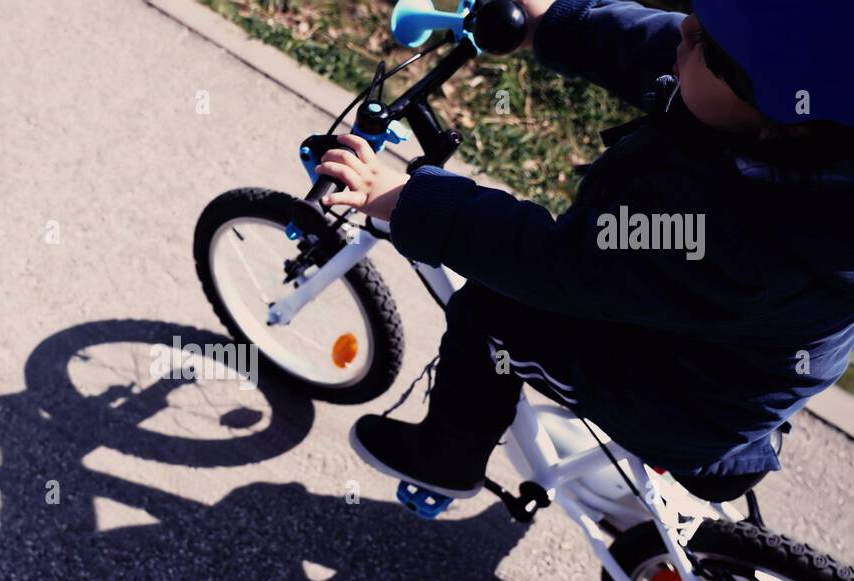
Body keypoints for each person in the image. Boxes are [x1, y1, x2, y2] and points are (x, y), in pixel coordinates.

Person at [314, 0, 854, 500]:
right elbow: (652, 49)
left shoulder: (744, 239)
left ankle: (445, 458)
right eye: (700, 14)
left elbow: (557, 263)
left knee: (491, 312)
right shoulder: (786, 125)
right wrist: (555, 20)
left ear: (782, 124)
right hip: (721, 358)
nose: (687, 29)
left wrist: (410, 201)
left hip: (684, 406)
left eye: (711, 45)